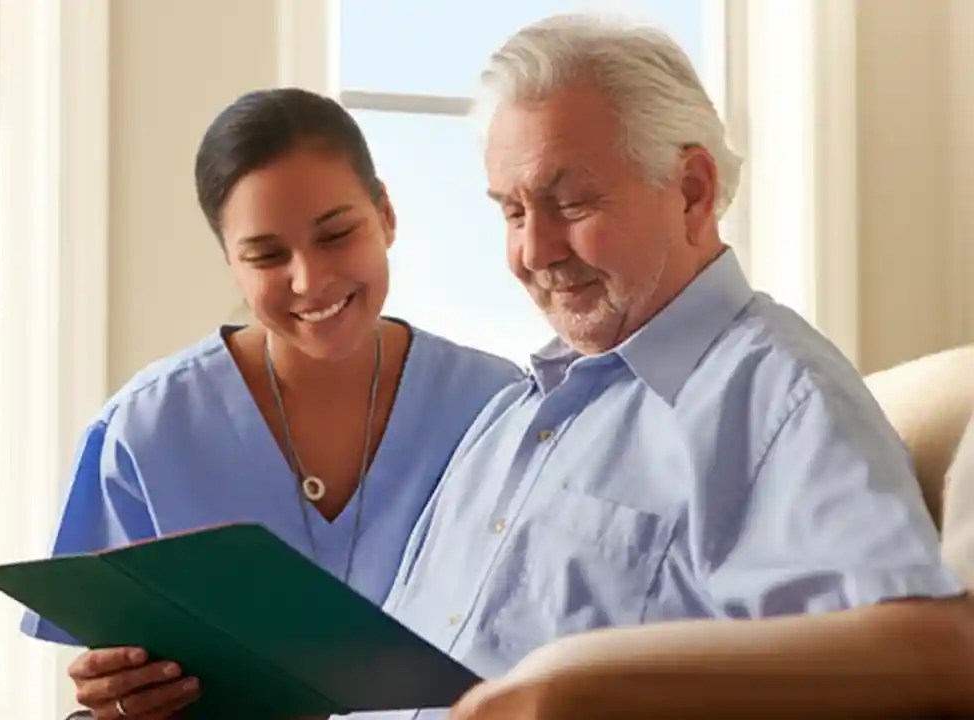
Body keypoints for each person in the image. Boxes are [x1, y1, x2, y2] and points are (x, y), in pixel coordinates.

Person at [363, 14, 972, 719]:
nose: (534, 252)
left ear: (692, 191)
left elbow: (936, 655)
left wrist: (575, 686)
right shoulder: (512, 415)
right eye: (512, 213)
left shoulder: (773, 396)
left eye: (571, 202)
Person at [20, 88, 524, 719]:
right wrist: (118, 705)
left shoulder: (502, 408)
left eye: (337, 234)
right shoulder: (147, 430)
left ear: (387, 215)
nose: (309, 280)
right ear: (230, 262)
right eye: (265, 255)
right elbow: (120, 684)